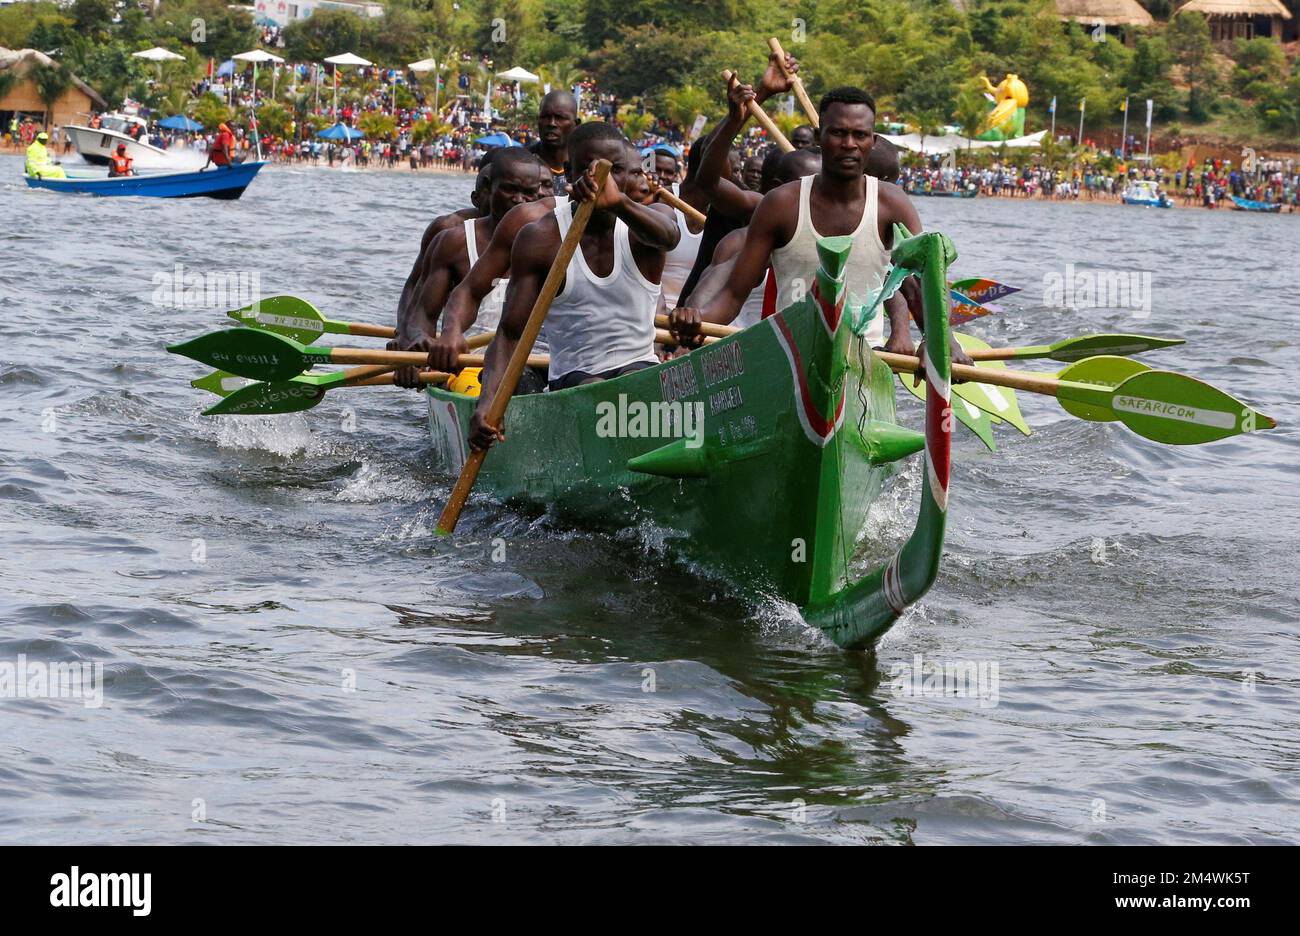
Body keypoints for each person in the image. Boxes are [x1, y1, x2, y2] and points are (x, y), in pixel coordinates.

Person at [669, 86, 964, 362]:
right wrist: (699, 320)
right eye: (838, 133)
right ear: (820, 136)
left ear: (871, 142)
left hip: (867, 358)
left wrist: (940, 339)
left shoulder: (892, 203)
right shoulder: (780, 204)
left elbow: (922, 283)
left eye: (859, 135)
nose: (849, 144)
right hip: (792, 356)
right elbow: (734, 293)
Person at [466, 121, 680, 451]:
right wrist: (487, 403)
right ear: (568, 173)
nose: (603, 180)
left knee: (629, 387)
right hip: (575, 376)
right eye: (589, 170)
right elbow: (509, 335)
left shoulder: (649, 223)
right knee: (597, 391)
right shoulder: (541, 238)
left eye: (616, 171)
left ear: (628, 175)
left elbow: (669, 236)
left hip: (639, 369)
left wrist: (619, 204)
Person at [392, 149, 548, 386]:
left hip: (539, 361)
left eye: (528, 193)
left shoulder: (556, 240)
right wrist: (414, 346)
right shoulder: (454, 241)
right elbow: (423, 313)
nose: (519, 200)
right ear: (489, 187)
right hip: (468, 363)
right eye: (509, 189)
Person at [528, 90, 579, 198]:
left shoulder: (584, 169)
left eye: (560, 118)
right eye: (545, 117)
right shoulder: (523, 163)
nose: (552, 123)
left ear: (576, 124)